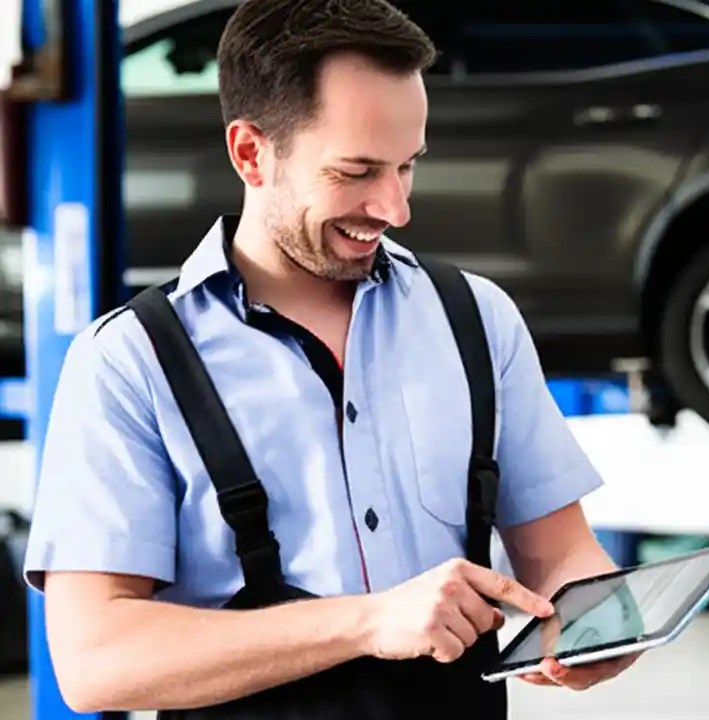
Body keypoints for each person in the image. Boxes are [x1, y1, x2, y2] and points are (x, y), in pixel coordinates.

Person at [22, 0, 637, 716]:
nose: (395, 207)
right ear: (251, 153)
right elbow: (96, 661)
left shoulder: (477, 319)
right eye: (357, 172)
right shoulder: (130, 362)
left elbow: (561, 552)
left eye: (408, 167)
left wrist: (595, 620)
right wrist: (371, 621)